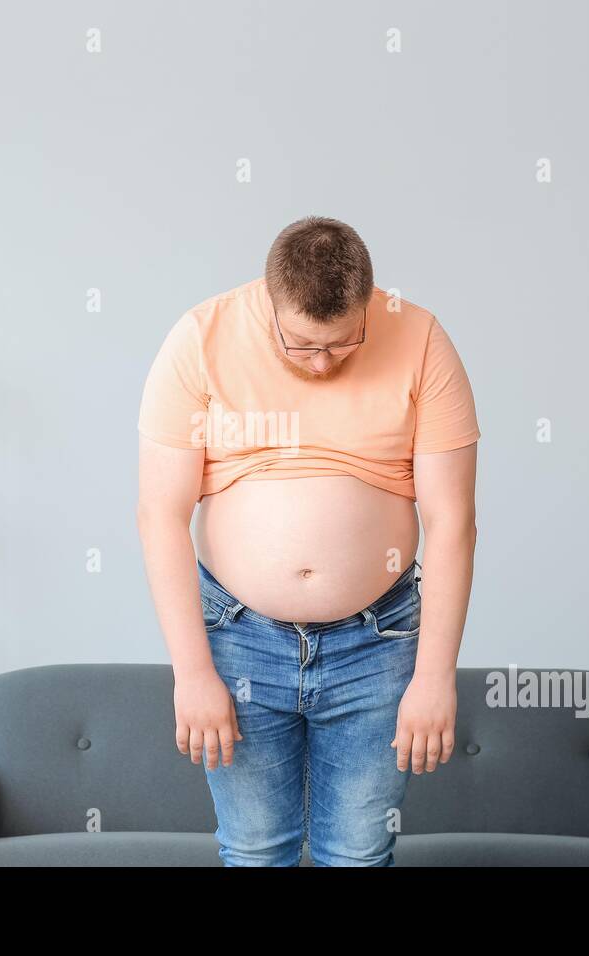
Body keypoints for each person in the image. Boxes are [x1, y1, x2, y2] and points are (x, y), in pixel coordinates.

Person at [136, 215, 480, 865]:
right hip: (238, 637)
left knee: (357, 854)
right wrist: (192, 672)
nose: (322, 362)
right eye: (300, 345)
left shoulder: (421, 339)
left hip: (377, 643)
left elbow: (453, 521)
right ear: (270, 303)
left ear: (369, 306)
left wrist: (436, 676)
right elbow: (160, 513)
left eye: (344, 343)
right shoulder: (200, 339)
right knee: (255, 852)